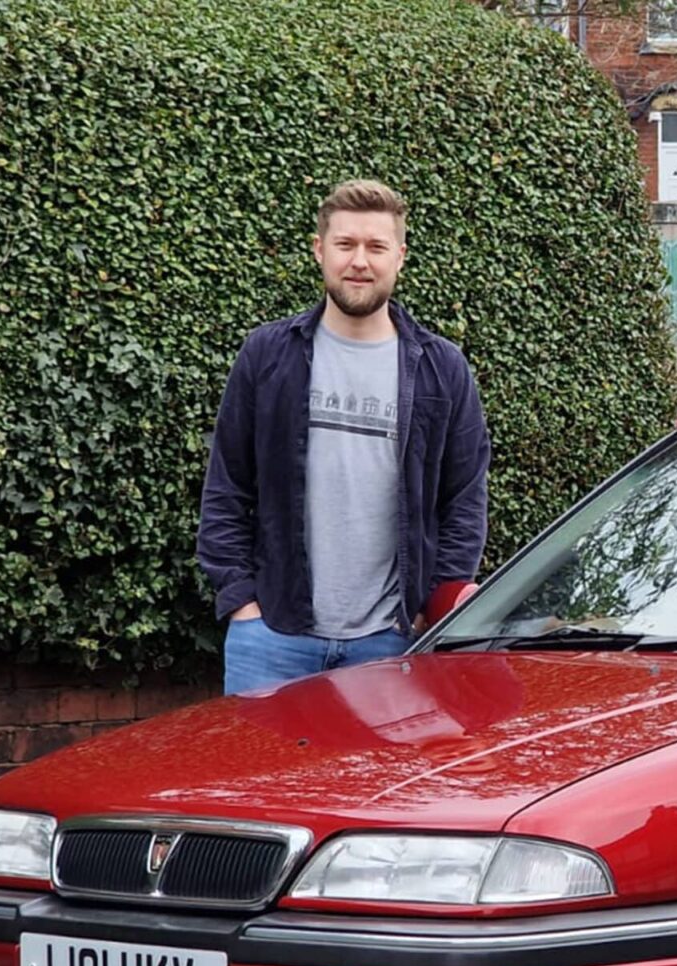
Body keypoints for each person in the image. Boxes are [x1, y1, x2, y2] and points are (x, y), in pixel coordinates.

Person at [197, 179, 491, 694]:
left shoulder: (441, 369)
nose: (360, 261)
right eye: (345, 245)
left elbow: (464, 501)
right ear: (319, 250)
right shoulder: (267, 355)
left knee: (381, 779)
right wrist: (242, 602)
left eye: (376, 247)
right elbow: (227, 487)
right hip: (271, 641)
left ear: (399, 256)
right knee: (264, 778)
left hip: (392, 643)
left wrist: (430, 607)